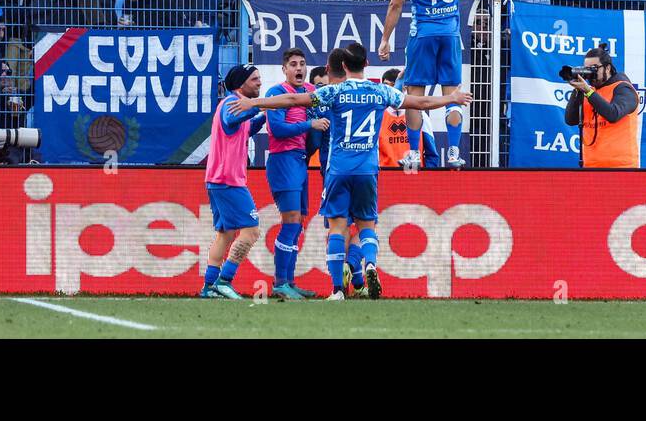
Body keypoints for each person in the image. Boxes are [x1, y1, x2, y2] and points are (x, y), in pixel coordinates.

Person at [233, 43, 469, 300]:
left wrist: (254, 103)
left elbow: (292, 99)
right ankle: (368, 263)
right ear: (366, 64)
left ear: (343, 66)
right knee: (367, 225)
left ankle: (336, 289)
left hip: (338, 170)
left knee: (337, 228)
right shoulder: (381, 91)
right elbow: (421, 102)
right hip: (367, 170)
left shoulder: (334, 91)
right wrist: (451, 98)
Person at [378, 0, 485, 170]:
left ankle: (414, 153)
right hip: (450, 34)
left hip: (423, 34)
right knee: (452, 93)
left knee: (414, 94)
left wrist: (385, 39)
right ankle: (453, 153)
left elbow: (396, 5)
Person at [262, 48, 328, 300]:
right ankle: (280, 283)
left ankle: (289, 281)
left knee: (298, 222)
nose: (299, 68)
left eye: (302, 64)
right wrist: (309, 124)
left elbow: (316, 131)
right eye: (293, 64)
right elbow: (277, 129)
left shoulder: (310, 93)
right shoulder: (276, 93)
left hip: (300, 162)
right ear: (284, 69)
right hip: (283, 161)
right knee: (290, 221)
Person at [200, 64, 270, 299]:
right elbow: (233, 119)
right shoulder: (232, 104)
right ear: (241, 84)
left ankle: (209, 287)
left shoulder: (233, 105)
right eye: (255, 79)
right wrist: (263, 105)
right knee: (251, 231)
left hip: (217, 180)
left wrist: (263, 115)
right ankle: (225, 280)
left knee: (226, 234)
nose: (259, 83)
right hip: (229, 180)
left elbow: (245, 128)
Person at [563, 47, 642, 168]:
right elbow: (570, 119)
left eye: (594, 68)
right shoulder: (589, 90)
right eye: (587, 68)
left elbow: (613, 114)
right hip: (591, 166)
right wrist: (577, 90)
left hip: (621, 167)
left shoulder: (623, 88)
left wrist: (588, 91)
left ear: (608, 68)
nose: (590, 73)